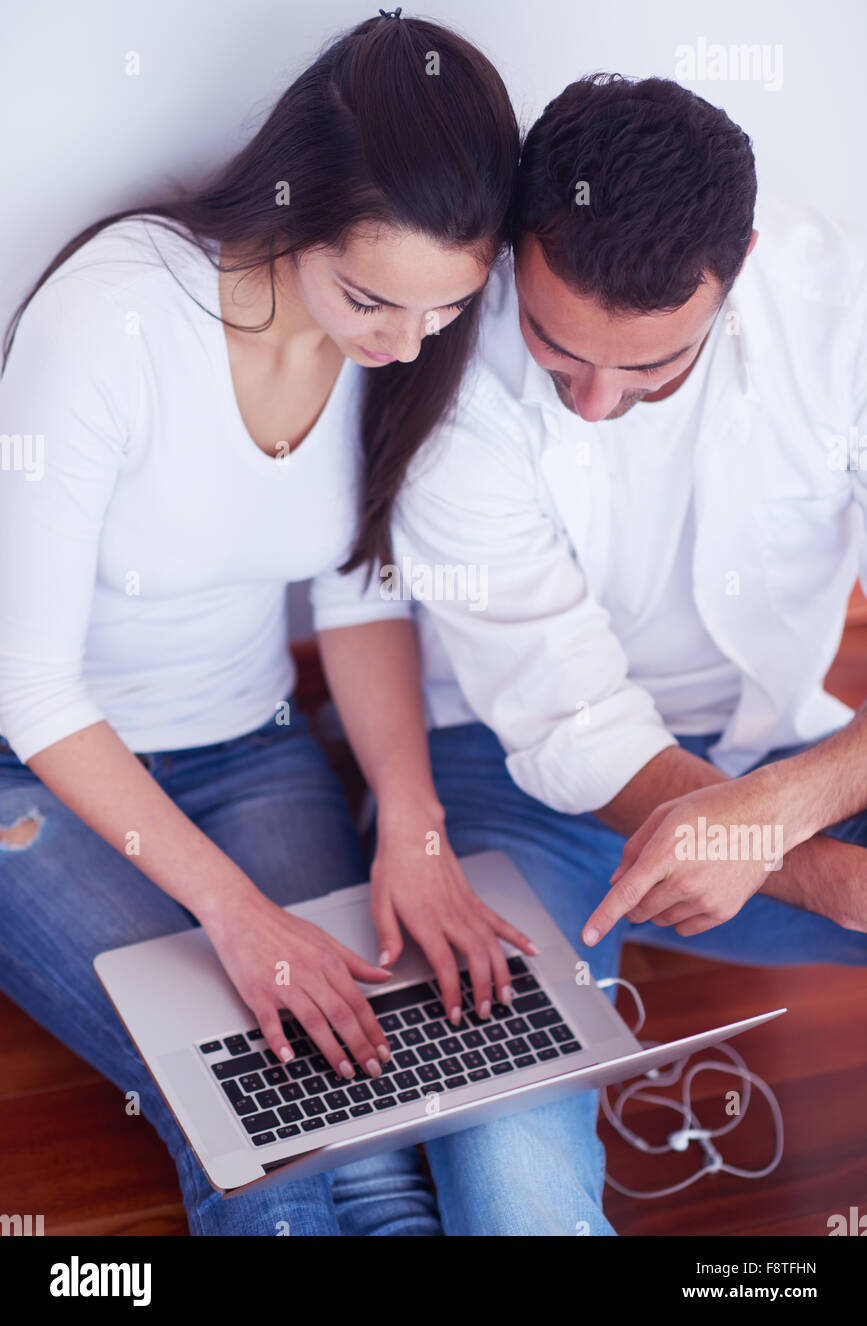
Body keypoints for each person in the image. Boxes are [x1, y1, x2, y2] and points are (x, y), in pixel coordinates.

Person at [0, 9, 597, 1238]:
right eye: (372, 300)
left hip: (249, 744)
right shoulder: (111, 323)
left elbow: (357, 585)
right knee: (248, 1099)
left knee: (366, 1091)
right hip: (34, 772)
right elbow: (33, 685)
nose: (403, 344)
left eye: (442, 311)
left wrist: (414, 823)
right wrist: (239, 914)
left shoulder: (412, 338)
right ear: (292, 207)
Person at [313, 74, 867, 1233]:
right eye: (562, 356)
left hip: (781, 758)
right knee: (512, 1195)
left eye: (652, 369)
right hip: (517, 786)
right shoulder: (445, 383)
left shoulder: (841, 305)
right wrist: (810, 868)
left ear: (743, 264)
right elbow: (571, 719)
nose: (598, 405)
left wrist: (785, 809)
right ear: (519, 253)